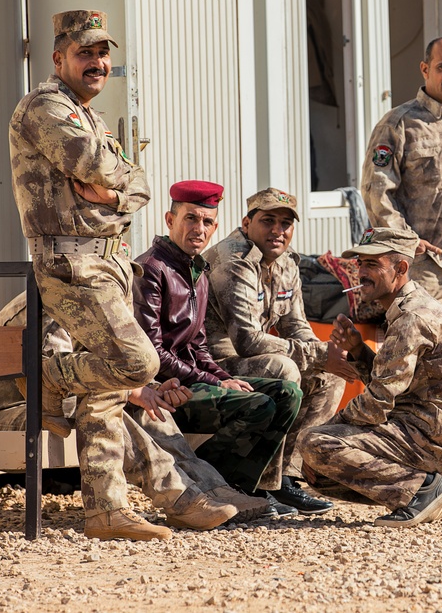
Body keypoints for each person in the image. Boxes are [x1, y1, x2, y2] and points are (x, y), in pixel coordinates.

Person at [9, 9, 207, 540]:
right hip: (69, 261)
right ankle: (45, 378)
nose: (97, 62)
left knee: (103, 390)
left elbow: (137, 186)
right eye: (84, 53)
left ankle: (106, 510)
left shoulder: (90, 115)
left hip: (106, 259)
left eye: (102, 53)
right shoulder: (46, 107)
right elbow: (94, 165)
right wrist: (117, 186)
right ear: (58, 58)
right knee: (135, 363)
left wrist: (115, 192)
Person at [0, 292, 270, 533]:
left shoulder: (83, 301)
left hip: (45, 404)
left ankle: (210, 487)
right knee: (110, 400)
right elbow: (52, 378)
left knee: (149, 407)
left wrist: (150, 388)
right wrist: (132, 391)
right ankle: (177, 496)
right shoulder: (52, 304)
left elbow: (105, 362)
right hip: (3, 415)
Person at [132, 180, 316, 515]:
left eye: (206, 222)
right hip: (165, 388)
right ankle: (205, 483)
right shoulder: (152, 269)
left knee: (287, 394)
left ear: (215, 226)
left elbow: (199, 347)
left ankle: (241, 488)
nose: (198, 229)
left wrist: (220, 378)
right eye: (190, 218)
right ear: (169, 220)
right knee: (258, 405)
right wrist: (217, 381)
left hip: (194, 379)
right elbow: (153, 353)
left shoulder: (196, 272)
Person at [361, 36, 442, 492]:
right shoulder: (400, 124)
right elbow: (378, 190)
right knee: (411, 367)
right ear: (424, 69)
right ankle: (405, 460)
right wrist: (404, 243)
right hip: (422, 271)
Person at [298, 227, 442, 527]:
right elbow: (395, 386)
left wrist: (325, 432)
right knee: (322, 473)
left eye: (372, 264)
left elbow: (376, 405)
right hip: (432, 425)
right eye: (360, 264)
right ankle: (435, 476)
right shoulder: (407, 307)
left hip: (434, 432)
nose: (361, 273)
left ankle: (421, 490)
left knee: (315, 446)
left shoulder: (411, 318)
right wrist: (358, 349)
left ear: (401, 268)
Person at [202, 187, 347, 513]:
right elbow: (247, 341)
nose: (278, 231)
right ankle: (260, 482)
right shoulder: (234, 261)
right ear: (247, 222)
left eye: (285, 223)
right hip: (215, 362)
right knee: (285, 369)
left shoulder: (286, 263)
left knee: (331, 375)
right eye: (268, 221)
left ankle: (286, 479)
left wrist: (327, 354)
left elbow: (296, 326)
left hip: (252, 358)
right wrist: (319, 355)